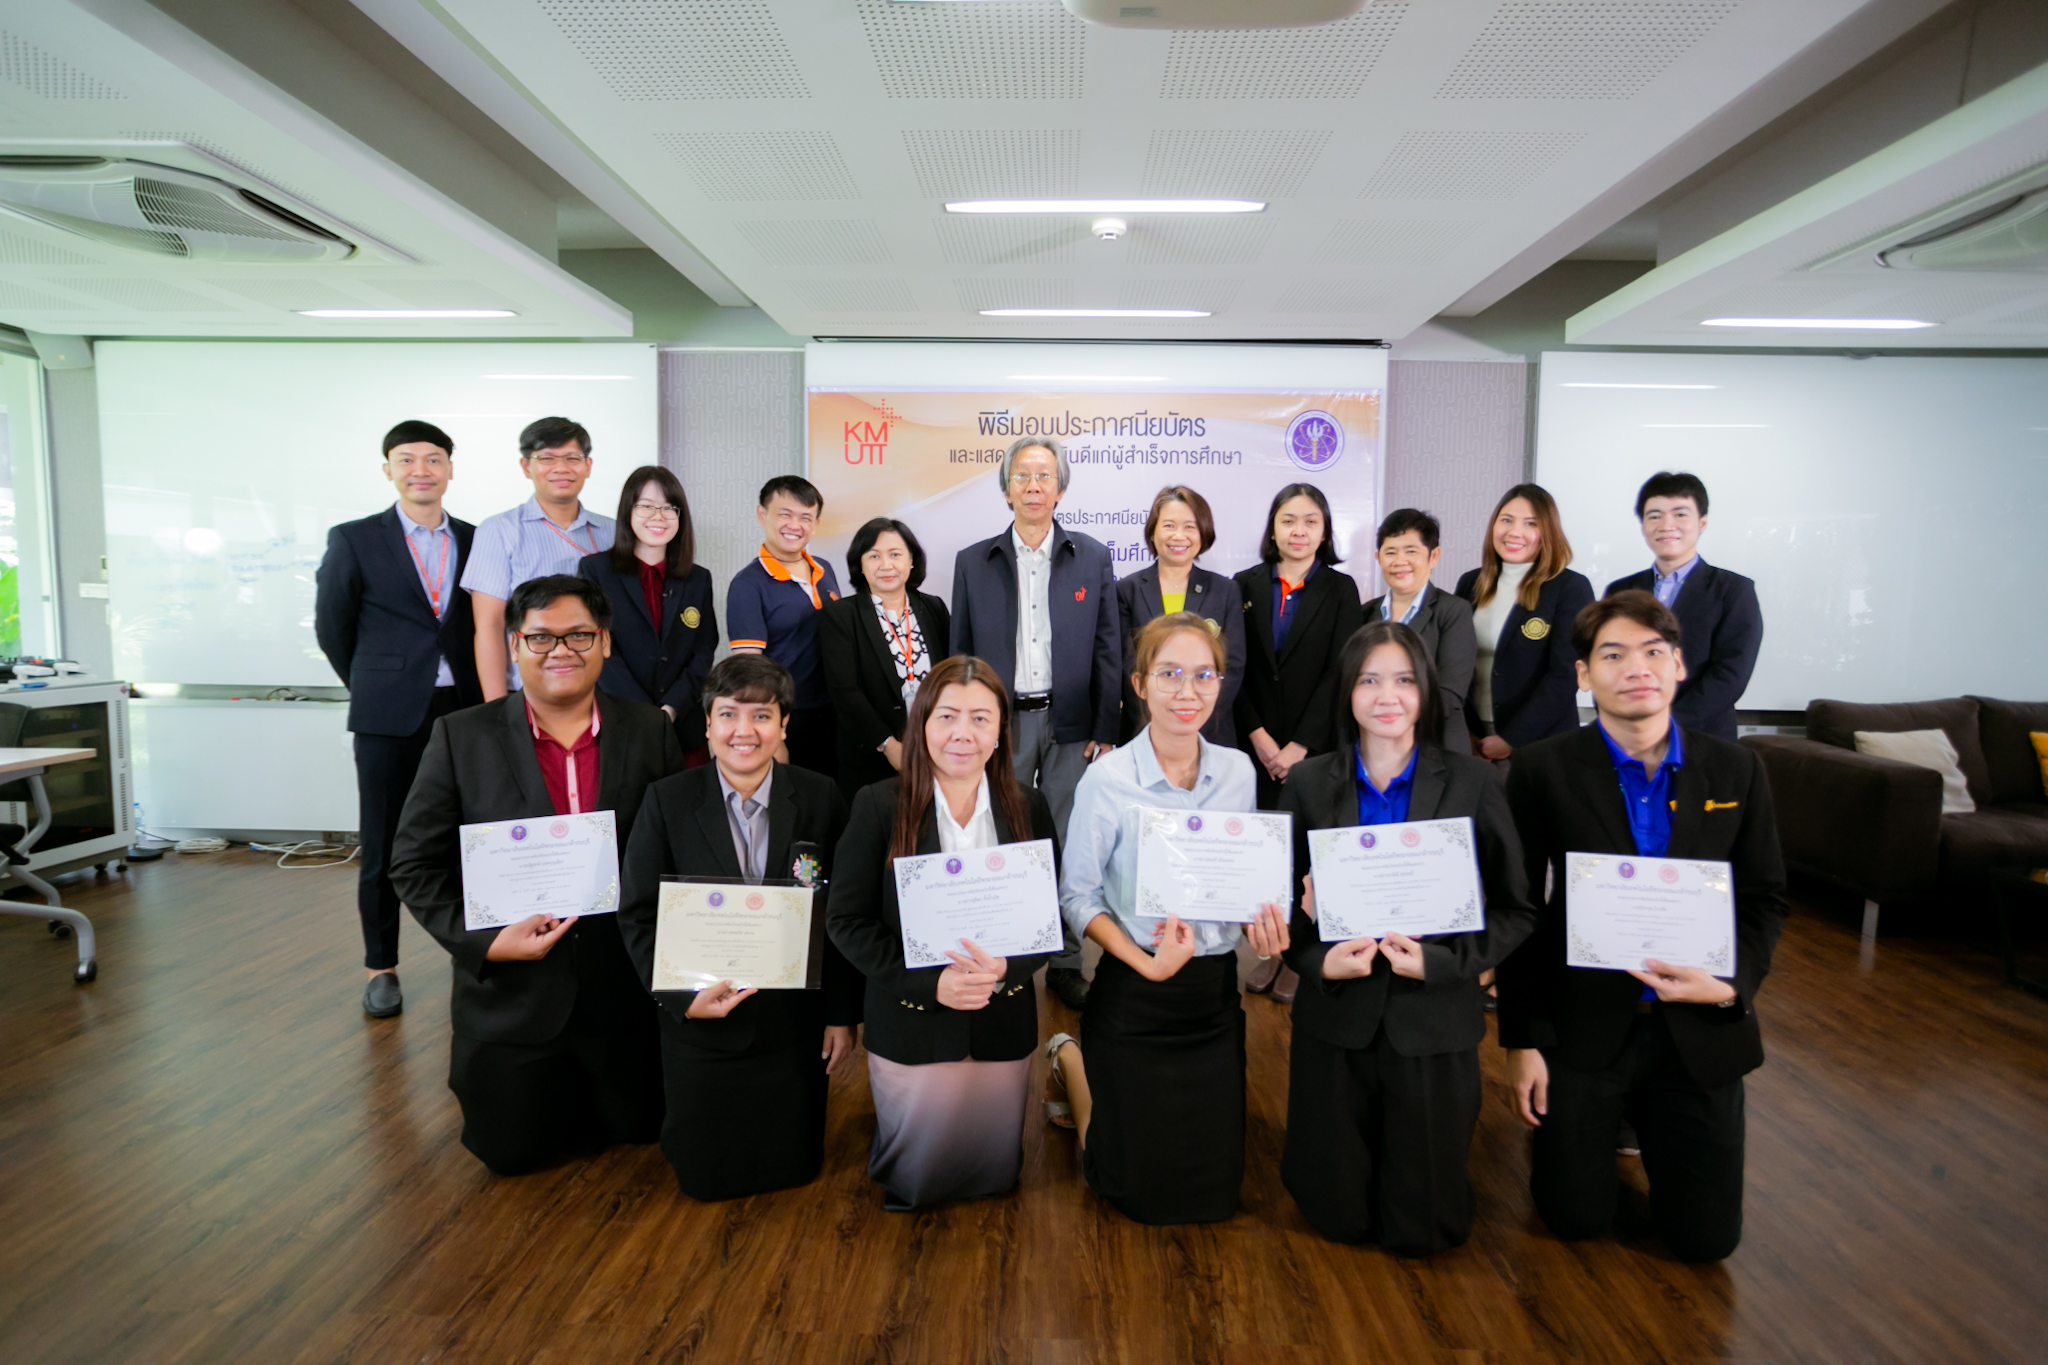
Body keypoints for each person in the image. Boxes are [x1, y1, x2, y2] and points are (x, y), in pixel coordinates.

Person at [1499, 590, 1788, 1263]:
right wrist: (1523, 1040)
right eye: (1613, 653)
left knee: (1707, 1241)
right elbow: (1520, 909)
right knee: (1573, 1220)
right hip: (1585, 1025)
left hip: (1699, 1024)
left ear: (1679, 665)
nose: (1637, 667)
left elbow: (1766, 898)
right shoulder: (1543, 769)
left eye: (1654, 651)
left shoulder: (1737, 769)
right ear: (1582, 674)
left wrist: (1729, 985)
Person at [389, 575, 684, 1176]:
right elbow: (414, 863)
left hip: (620, 993)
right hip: (513, 1000)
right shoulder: (460, 737)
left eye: (578, 635)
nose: (560, 652)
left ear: (604, 642)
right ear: (515, 646)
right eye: (541, 638)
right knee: (511, 1155)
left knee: (638, 1136)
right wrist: (486, 942)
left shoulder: (650, 731)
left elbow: (678, 854)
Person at [1277, 620, 1537, 1255]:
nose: (1385, 695)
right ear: (1347, 692)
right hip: (1339, 1013)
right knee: (1337, 1216)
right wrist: (1314, 961)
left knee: (1425, 1229)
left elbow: (1516, 909)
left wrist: (1446, 964)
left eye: (1402, 680)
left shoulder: (1473, 783)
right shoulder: (1310, 783)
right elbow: (1282, 907)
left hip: (1433, 1018)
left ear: (1425, 691)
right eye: (1369, 680)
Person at [1041, 613, 1291, 1226]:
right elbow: (1077, 897)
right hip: (1133, 990)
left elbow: (1242, 881)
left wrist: (1267, 921)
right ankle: (1068, 1057)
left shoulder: (1237, 771)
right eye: (1170, 674)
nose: (1188, 691)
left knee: (1212, 1195)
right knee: (1120, 1184)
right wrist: (1145, 961)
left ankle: (1076, 1059)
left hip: (1211, 997)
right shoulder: (1107, 779)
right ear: (1139, 683)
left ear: (1221, 683)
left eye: (1203, 675)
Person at [615, 654, 860, 1201]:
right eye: (728, 715)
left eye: (761, 716)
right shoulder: (667, 801)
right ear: (706, 724)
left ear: (784, 724)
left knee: (795, 1164)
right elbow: (636, 913)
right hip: (702, 1024)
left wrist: (841, 1016)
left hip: (792, 1026)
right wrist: (682, 996)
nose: (744, 732)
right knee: (706, 1172)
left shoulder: (821, 797)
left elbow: (839, 918)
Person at [826, 656, 1060, 1211]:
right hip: (912, 1020)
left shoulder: (1028, 806)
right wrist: (929, 984)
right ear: (922, 724)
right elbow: (846, 921)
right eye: (947, 716)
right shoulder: (878, 805)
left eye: (981, 719)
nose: (963, 734)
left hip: (1000, 1018)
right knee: (917, 1176)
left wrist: (1008, 969)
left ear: (1002, 732)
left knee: (994, 1173)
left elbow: (1048, 918)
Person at [315, 419, 485, 1020]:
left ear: (449, 469)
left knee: (471, 838)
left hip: (462, 710)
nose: (421, 470)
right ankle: (380, 966)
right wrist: (376, 682)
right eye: (407, 460)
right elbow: (333, 628)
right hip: (388, 713)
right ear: (387, 469)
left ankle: (473, 952)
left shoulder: (474, 537)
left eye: (433, 459)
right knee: (383, 841)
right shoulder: (356, 539)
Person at [950, 436, 1120, 1011]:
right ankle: (1000, 951)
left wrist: (1105, 723)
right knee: (999, 832)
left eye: (1044, 476)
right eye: (1021, 476)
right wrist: (969, 726)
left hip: (1071, 723)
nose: (1033, 486)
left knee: (1071, 840)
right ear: (1005, 489)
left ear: (1061, 488)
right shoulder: (974, 561)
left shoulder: (1092, 556)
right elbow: (961, 655)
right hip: (1001, 724)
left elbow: (1107, 648)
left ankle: (1070, 959)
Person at [460, 416, 615, 701]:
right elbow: (489, 627)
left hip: (605, 691)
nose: (561, 469)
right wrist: (497, 709)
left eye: (572, 458)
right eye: (546, 458)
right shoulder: (499, 530)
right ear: (526, 467)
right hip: (527, 693)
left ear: (587, 466)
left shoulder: (612, 532)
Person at [1233, 482, 1367, 811]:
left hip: (1316, 751)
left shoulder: (1341, 589)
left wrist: (1300, 744)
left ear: (1324, 532)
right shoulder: (1241, 584)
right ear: (1273, 529)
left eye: (1310, 522)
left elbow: (1341, 671)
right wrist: (1256, 734)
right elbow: (1232, 666)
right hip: (1250, 748)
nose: (1298, 531)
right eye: (1288, 520)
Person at [1602, 472, 1763, 743]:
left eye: (1680, 514)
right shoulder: (1620, 591)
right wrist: (1618, 719)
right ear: (1642, 525)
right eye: (1654, 516)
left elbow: (1731, 673)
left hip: (1704, 737)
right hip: (1627, 737)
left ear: (1702, 523)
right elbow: (1606, 660)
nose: (1666, 525)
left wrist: (1662, 726)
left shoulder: (1733, 590)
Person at [576, 464, 718, 760]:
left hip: (683, 725)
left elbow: (704, 651)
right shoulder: (596, 570)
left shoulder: (698, 578)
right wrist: (645, 713)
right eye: (646, 506)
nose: (659, 516)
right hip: (619, 720)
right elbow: (596, 644)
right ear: (628, 511)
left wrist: (671, 707)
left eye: (669, 507)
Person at [1455, 484, 1594, 762]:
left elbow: (1566, 675)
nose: (1514, 532)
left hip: (1539, 743)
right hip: (1472, 740)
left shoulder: (1570, 588)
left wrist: (1510, 739)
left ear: (1548, 533)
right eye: (1506, 520)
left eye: (1530, 523)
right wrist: (1465, 732)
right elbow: (1454, 662)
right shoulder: (1471, 583)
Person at [819, 517, 951, 800]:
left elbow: (951, 676)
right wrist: (890, 746)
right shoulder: (841, 616)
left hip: (936, 752)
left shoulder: (934, 607)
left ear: (911, 560)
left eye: (895, 554)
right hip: (870, 760)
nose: (886, 565)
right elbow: (844, 691)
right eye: (874, 556)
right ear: (861, 565)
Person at [727, 475, 842, 778]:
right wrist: (773, 735)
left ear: (815, 524)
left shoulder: (824, 568)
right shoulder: (747, 584)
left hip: (836, 712)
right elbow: (749, 670)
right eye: (785, 514)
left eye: (805, 517)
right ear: (762, 514)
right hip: (791, 718)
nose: (795, 525)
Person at [1114, 485, 1245, 747]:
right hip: (1144, 728)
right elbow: (1126, 665)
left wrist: (1196, 713)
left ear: (1203, 533)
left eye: (1189, 527)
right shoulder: (1127, 590)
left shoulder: (1225, 590)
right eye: (1169, 526)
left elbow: (1233, 665)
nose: (1179, 536)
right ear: (1153, 532)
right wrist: (1161, 716)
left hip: (1211, 731)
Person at [1361, 508, 1478, 756]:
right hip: (1374, 750)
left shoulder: (1453, 611)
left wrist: (1390, 716)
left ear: (1433, 556)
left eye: (1411, 551)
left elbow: (1450, 694)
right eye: (1390, 552)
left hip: (1436, 748)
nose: (1399, 561)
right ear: (1377, 557)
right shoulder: (1363, 614)